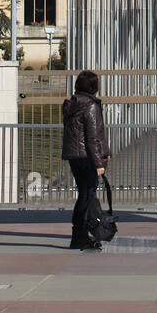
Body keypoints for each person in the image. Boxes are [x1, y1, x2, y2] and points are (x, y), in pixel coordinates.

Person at [62, 70, 111, 251]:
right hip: (88, 157)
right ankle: (79, 236)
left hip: (74, 156)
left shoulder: (71, 104)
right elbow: (93, 137)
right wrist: (99, 163)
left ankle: (80, 234)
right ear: (94, 86)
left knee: (84, 194)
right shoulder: (91, 105)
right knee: (86, 195)